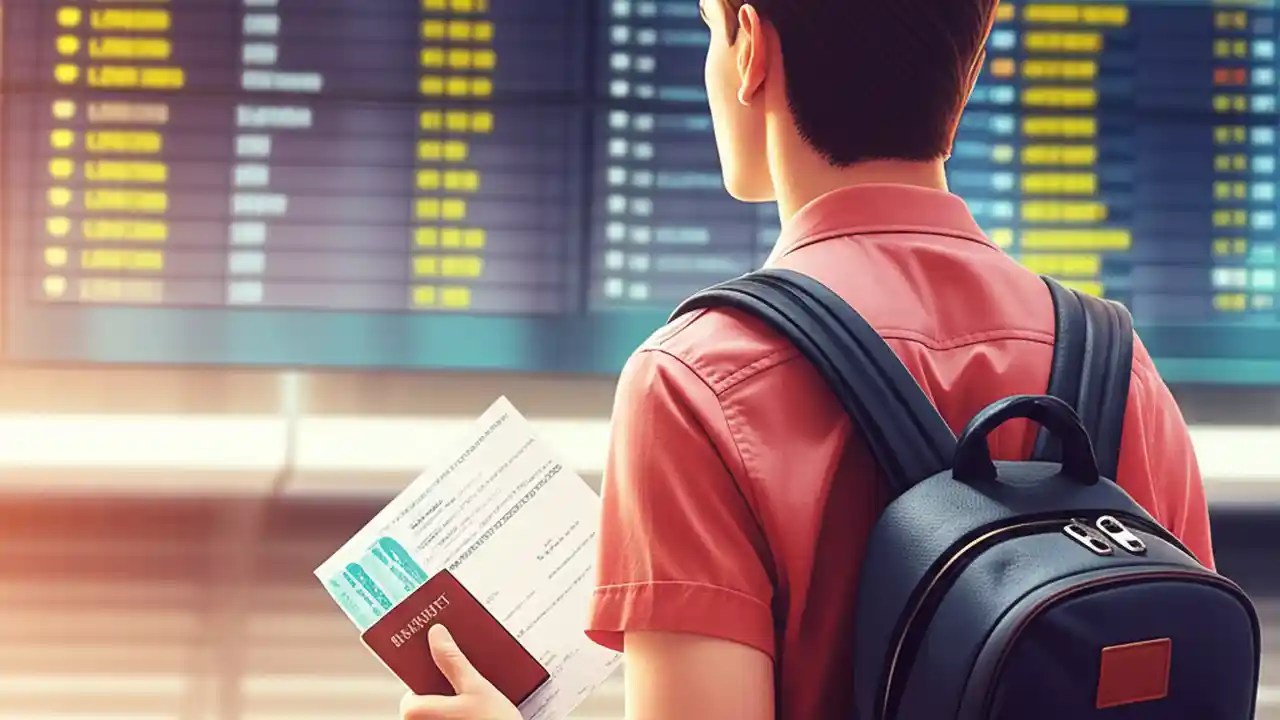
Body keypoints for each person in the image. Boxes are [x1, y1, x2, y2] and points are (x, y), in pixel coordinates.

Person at [400, 0, 1215, 717]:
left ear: (750, 45)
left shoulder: (695, 383)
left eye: (709, 29)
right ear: (966, 65)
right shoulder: (1121, 371)